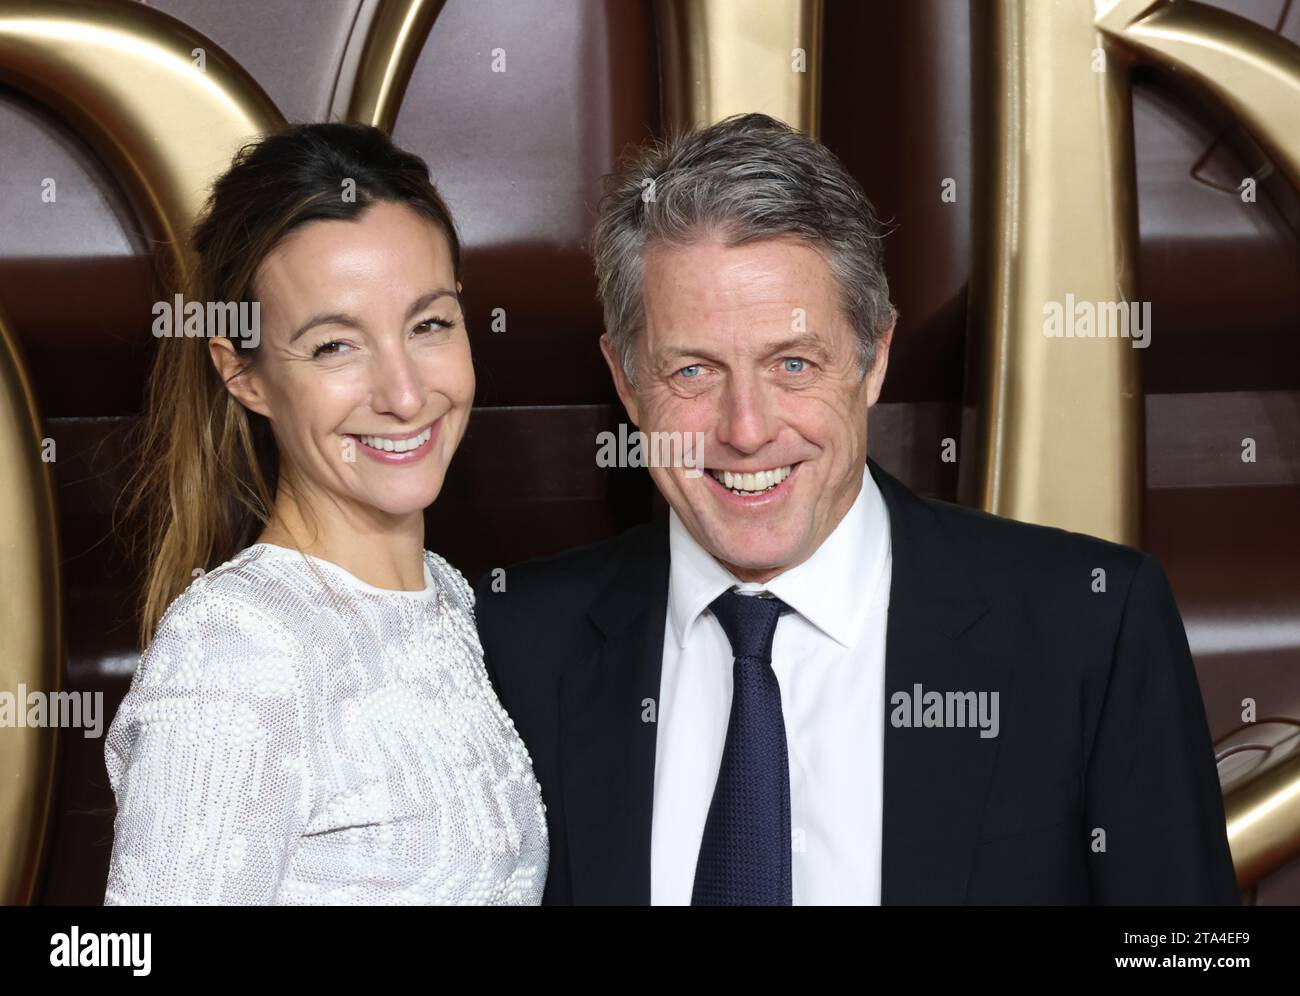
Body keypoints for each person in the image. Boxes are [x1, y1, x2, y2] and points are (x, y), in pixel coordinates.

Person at [473, 113, 1239, 905]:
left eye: (795, 363)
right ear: (627, 380)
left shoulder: (1090, 626)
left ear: (873, 358)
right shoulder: (515, 645)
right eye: (694, 371)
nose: (747, 430)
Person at [104, 123, 547, 904]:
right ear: (243, 373)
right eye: (336, 346)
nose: (405, 395)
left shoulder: (449, 600)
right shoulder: (234, 653)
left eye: (429, 324)